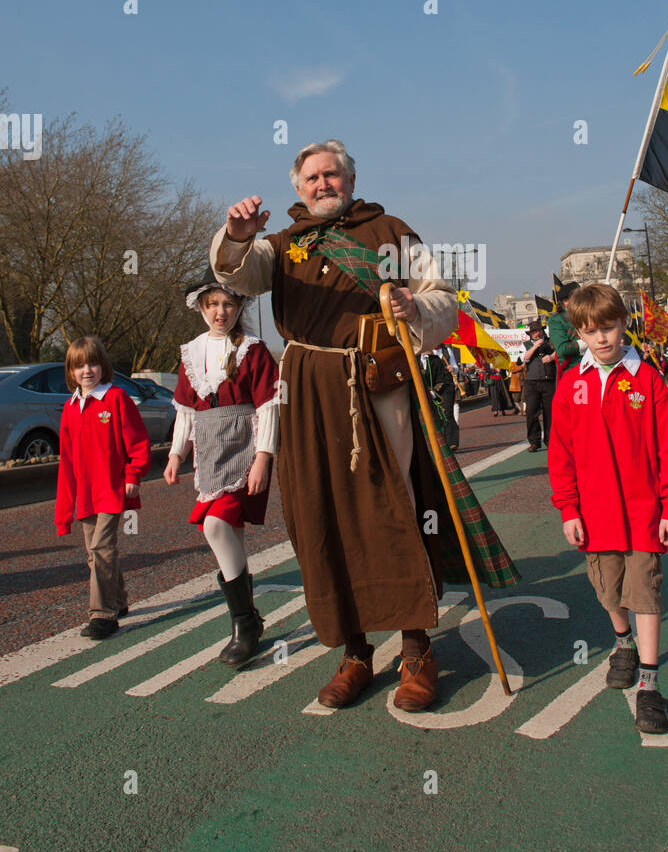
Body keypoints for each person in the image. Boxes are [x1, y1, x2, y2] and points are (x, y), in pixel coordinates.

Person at [209, 139, 518, 713]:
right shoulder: (281, 244)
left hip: (378, 386)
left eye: (333, 175)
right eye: (312, 178)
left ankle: (417, 650)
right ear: (298, 188)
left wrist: (415, 308)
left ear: (351, 180)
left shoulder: (389, 233)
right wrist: (238, 233)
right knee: (321, 514)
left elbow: (443, 300)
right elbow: (240, 275)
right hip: (306, 390)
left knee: (392, 511)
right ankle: (354, 652)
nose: (323, 184)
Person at [548, 283, 668, 734]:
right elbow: (561, 452)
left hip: (644, 514)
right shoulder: (571, 384)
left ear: (623, 324)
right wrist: (569, 509)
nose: (602, 338)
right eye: (591, 331)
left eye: (609, 327)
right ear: (579, 335)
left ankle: (650, 684)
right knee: (609, 592)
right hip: (594, 516)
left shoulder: (647, 379)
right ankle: (623, 644)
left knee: (644, 593)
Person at [163, 273, 280, 666]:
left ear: (239, 308)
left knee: (216, 525)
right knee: (229, 533)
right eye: (212, 304)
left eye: (227, 304)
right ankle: (249, 620)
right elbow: (185, 411)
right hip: (210, 447)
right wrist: (176, 454)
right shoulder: (190, 352)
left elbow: (268, 406)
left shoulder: (253, 349)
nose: (220, 312)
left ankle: (244, 623)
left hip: (244, 443)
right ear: (201, 307)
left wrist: (264, 455)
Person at [55, 336, 151, 640]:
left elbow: (137, 442)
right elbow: (67, 461)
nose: (87, 370)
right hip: (85, 495)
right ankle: (119, 601)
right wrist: (65, 508)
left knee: (102, 548)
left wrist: (133, 475)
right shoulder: (70, 408)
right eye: (79, 365)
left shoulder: (116, 398)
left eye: (93, 363)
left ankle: (103, 615)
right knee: (95, 554)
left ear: (103, 366)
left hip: (112, 490)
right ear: (71, 371)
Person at [523, 318, 557, 451]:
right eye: (534, 332)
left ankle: (550, 439)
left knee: (550, 413)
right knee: (531, 412)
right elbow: (525, 358)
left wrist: (551, 357)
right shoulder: (526, 344)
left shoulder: (550, 342)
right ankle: (534, 441)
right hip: (532, 383)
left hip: (549, 381)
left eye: (538, 331)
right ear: (530, 334)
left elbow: (559, 351)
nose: (536, 334)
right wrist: (536, 346)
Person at [420, 349, 459, 450]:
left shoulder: (441, 354)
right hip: (430, 392)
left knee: (446, 414)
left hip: (445, 388)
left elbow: (445, 376)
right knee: (435, 418)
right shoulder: (416, 362)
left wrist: (453, 369)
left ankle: (451, 443)